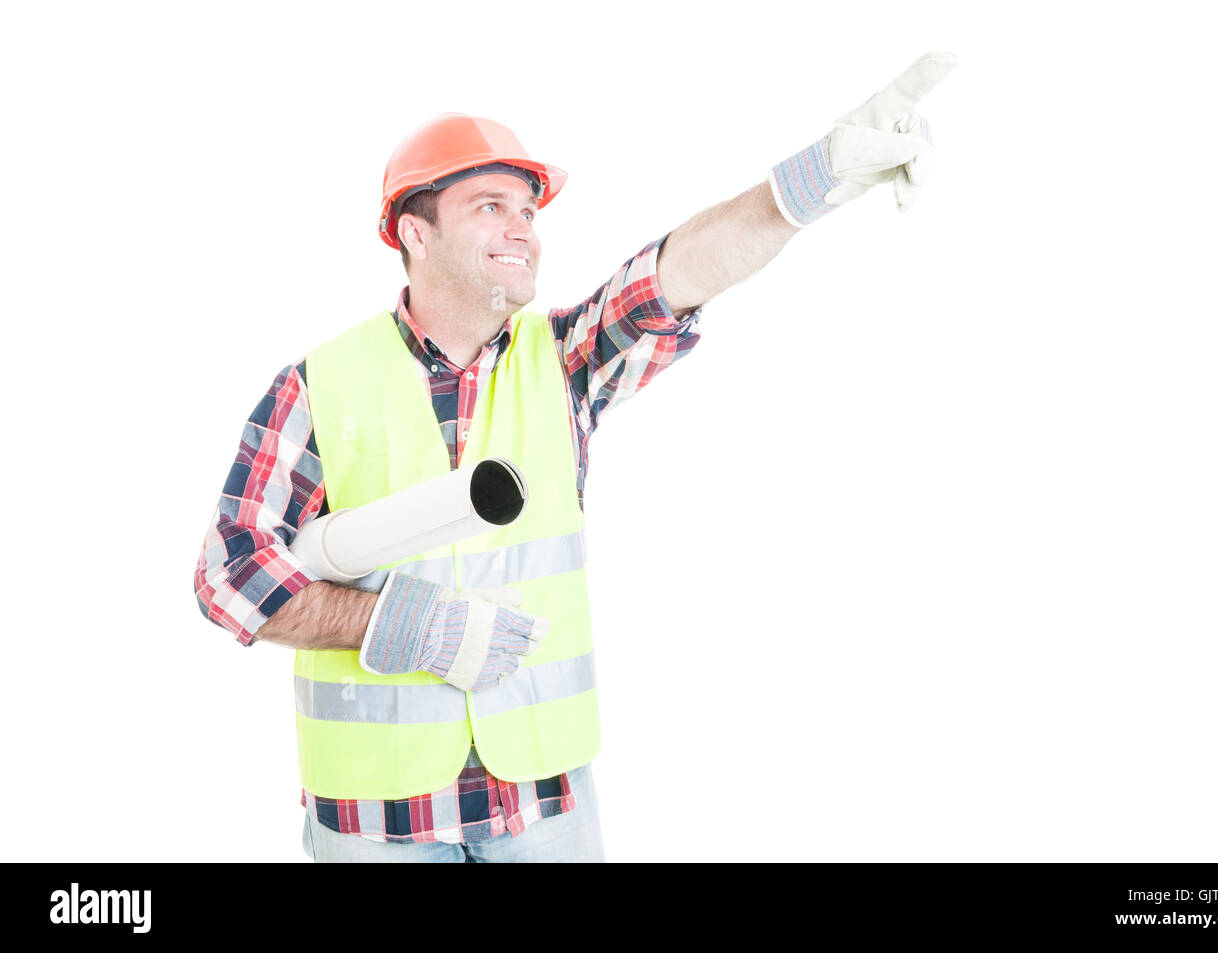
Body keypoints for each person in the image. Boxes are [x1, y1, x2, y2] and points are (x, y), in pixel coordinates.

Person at [193, 52, 957, 863]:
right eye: (491, 205)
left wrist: (817, 179)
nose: (523, 226)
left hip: (544, 804)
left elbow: (677, 272)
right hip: (380, 822)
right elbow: (227, 577)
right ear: (414, 231)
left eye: (528, 208)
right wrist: (401, 627)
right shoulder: (318, 387)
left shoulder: (561, 362)